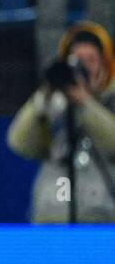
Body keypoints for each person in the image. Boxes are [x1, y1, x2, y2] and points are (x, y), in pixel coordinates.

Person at [7, 20, 115, 221]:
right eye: (77, 60)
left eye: (91, 60)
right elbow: (20, 144)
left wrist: (85, 102)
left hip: (102, 222)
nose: (83, 68)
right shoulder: (53, 102)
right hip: (52, 218)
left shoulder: (111, 100)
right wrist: (42, 100)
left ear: (104, 64)